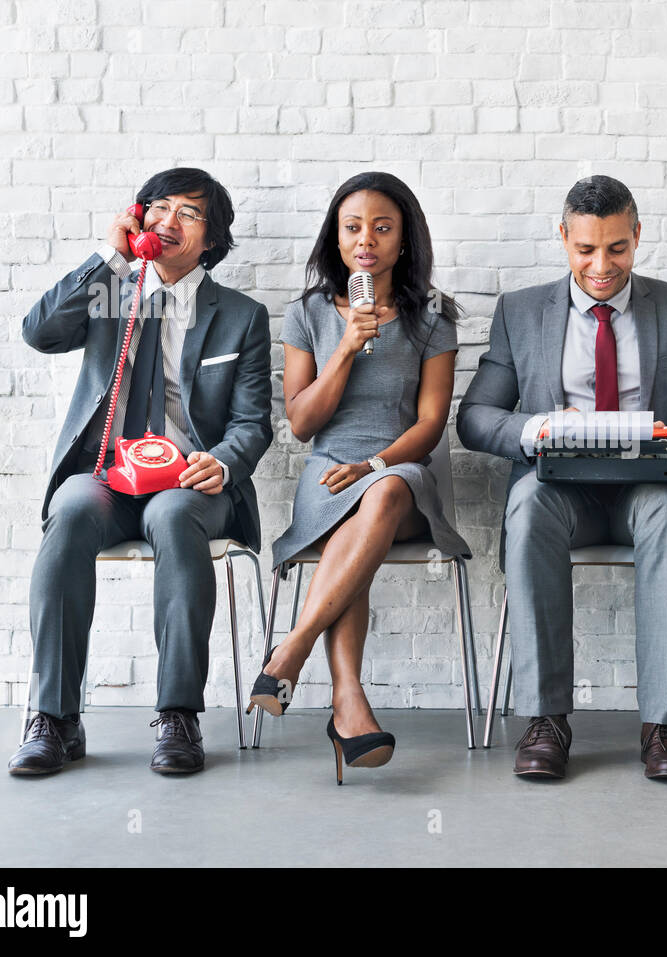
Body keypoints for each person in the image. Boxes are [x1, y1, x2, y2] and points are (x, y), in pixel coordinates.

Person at [457, 175, 667, 781]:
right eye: (585, 250)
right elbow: (475, 417)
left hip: (650, 481)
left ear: (637, 236)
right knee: (527, 506)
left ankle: (663, 724)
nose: (602, 266)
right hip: (559, 484)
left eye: (617, 249)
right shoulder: (520, 312)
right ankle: (546, 719)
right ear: (563, 239)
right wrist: (538, 428)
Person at [15, 167, 273, 775]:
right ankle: (53, 718)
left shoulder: (241, 314)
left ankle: (178, 714)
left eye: (187, 213)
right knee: (71, 509)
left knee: (176, 515)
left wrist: (224, 461)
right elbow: (38, 332)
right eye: (157, 208)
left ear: (212, 239)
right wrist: (110, 253)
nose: (167, 222)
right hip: (107, 476)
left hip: (189, 479)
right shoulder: (112, 290)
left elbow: (253, 423)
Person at [247, 172, 468, 783]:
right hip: (328, 481)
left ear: (404, 241)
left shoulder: (433, 318)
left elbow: (430, 424)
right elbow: (301, 422)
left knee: (388, 490)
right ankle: (349, 705)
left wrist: (375, 465)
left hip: (399, 476)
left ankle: (290, 651)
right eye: (352, 227)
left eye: (382, 227)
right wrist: (344, 347)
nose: (366, 239)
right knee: (353, 542)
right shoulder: (308, 314)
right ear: (336, 239)